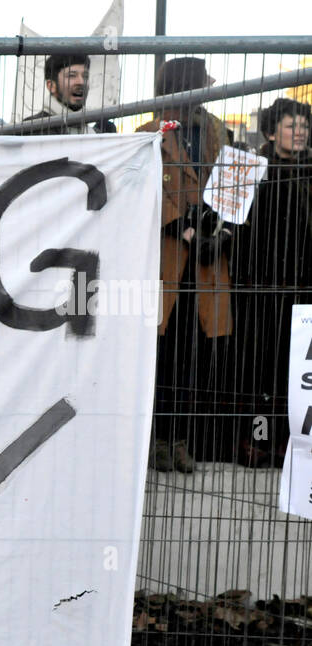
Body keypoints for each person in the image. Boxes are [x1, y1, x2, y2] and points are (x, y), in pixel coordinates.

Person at [137, 57, 235, 472]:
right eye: (202, 84)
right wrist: (183, 229)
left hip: (209, 263)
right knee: (160, 352)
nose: (209, 92)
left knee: (194, 355)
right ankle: (156, 440)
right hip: (167, 262)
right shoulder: (145, 136)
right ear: (182, 89)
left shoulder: (220, 135)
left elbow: (234, 189)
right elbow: (142, 194)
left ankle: (179, 439)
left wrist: (223, 232)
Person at [227, 98, 312, 466]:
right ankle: (255, 439)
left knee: (293, 370)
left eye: (304, 127)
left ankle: (284, 441)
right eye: (292, 126)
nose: (300, 133)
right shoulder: (253, 167)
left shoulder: (309, 169)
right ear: (271, 131)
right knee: (258, 367)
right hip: (258, 284)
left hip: (302, 284)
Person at [20, 54, 117, 135]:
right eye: (72, 75)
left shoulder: (96, 136)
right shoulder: (30, 130)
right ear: (51, 86)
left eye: (85, 76)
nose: (81, 82)